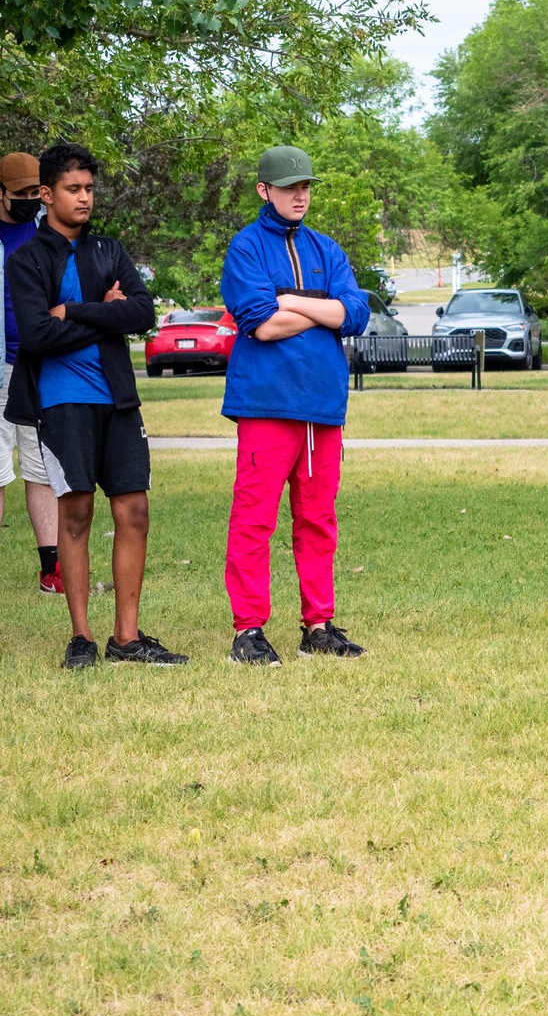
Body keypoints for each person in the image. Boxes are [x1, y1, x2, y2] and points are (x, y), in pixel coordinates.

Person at [3, 142, 185, 668]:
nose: (84, 198)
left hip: (118, 399)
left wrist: (74, 311)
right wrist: (104, 312)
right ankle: (81, 637)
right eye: (72, 189)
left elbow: (142, 313)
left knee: (134, 511)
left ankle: (126, 638)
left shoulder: (108, 250)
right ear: (46, 194)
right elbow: (37, 335)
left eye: (89, 189)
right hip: (61, 401)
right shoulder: (27, 259)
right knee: (77, 512)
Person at [220, 145, 370, 666]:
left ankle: (318, 626)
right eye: (289, 187)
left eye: (305, 186)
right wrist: (323, 309)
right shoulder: (246, 248)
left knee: (318, 520)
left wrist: (291, 301)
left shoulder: (327, 249)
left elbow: (355, 314)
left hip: (322, 407)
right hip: (266, 404)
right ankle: (248, 630)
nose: (300, 195)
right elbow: (262, 324)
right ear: (264, 190)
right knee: (254, 520)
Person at [0, 151, 63, 594]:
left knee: (41, 468)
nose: (28, 200)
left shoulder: (47, 231)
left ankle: (52, 571)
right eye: (19, 193)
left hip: (37, 364)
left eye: (33, 192)